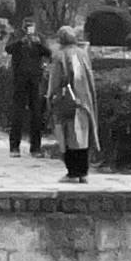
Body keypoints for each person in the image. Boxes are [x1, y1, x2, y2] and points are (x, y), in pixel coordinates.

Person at [51, 24, 100, 185]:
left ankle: (72, 172)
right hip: (84, 101)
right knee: (82, 137)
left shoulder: (60, 56)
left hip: (67, 102)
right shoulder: (82, 54)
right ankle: (83, 173)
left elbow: (55, 80)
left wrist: (50, 96)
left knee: (68, 137)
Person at [6, 18, 53, 158]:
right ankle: (14, 146)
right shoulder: (16, 35)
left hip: (35, 79)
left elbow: (48, 53)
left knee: (37, 113)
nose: (29, 28)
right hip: (19, 78)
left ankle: (36, 147)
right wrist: (21, 41)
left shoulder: (40, 37)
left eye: (31, 25)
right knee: (17, 112)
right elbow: (8, 49)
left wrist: (38, 44)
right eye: (27, 25)